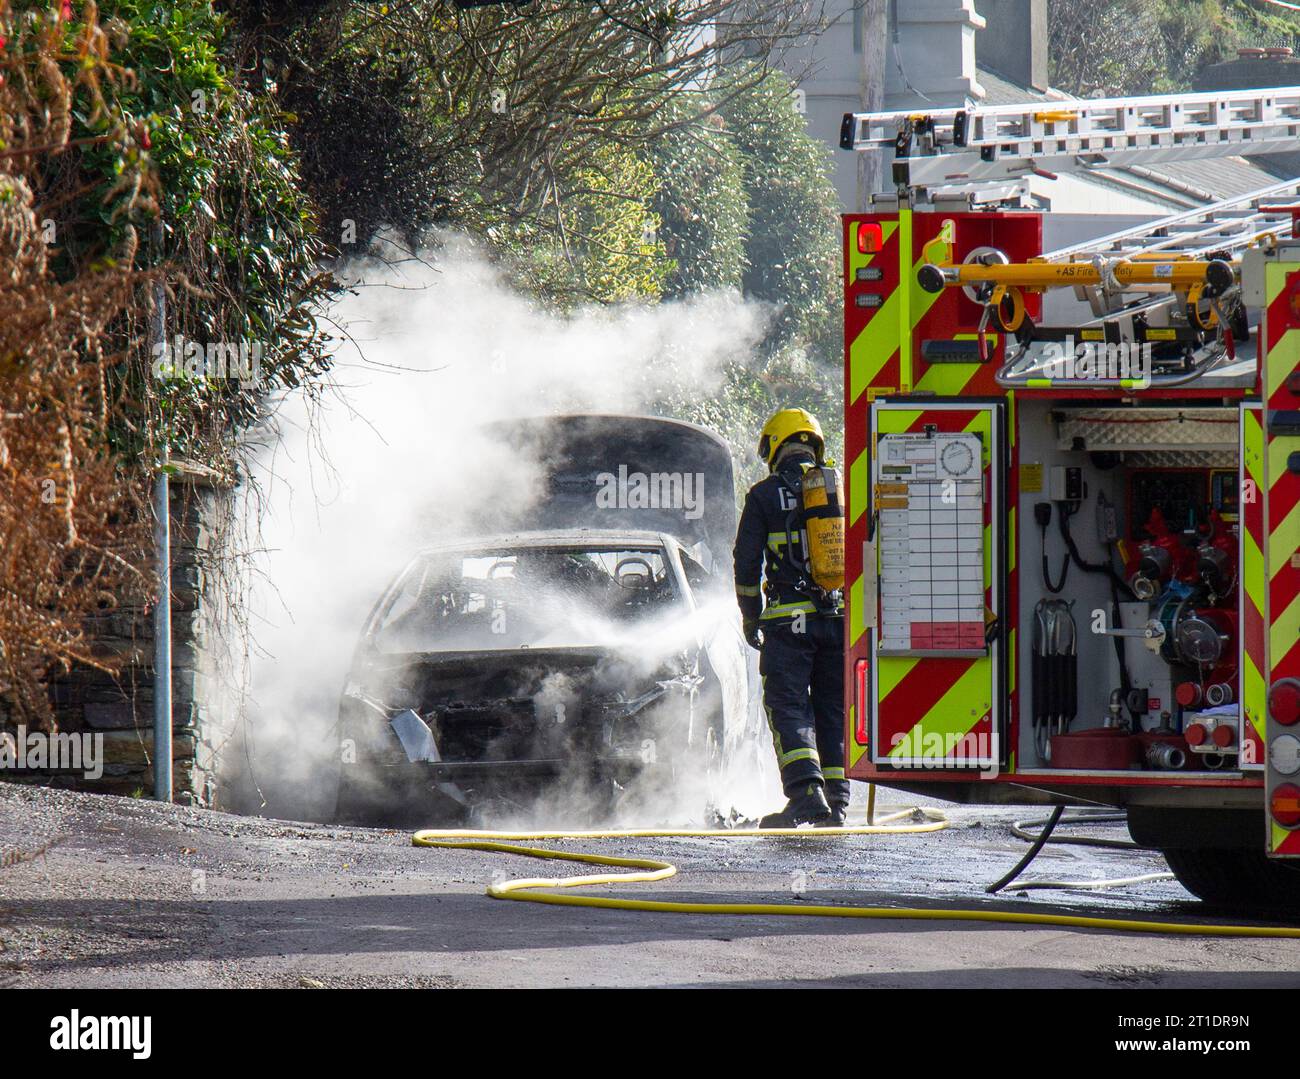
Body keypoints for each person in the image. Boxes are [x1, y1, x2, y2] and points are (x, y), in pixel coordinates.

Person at [733, 408, 848, 827]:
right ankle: (836, 801)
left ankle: (804, 793)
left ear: (775, 445)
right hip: (836, 621)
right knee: (831, 709)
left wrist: (750, 616)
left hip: (788, 623)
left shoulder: (763, 495)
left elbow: (745, 563)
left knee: (789, 706)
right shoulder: (838, 492)